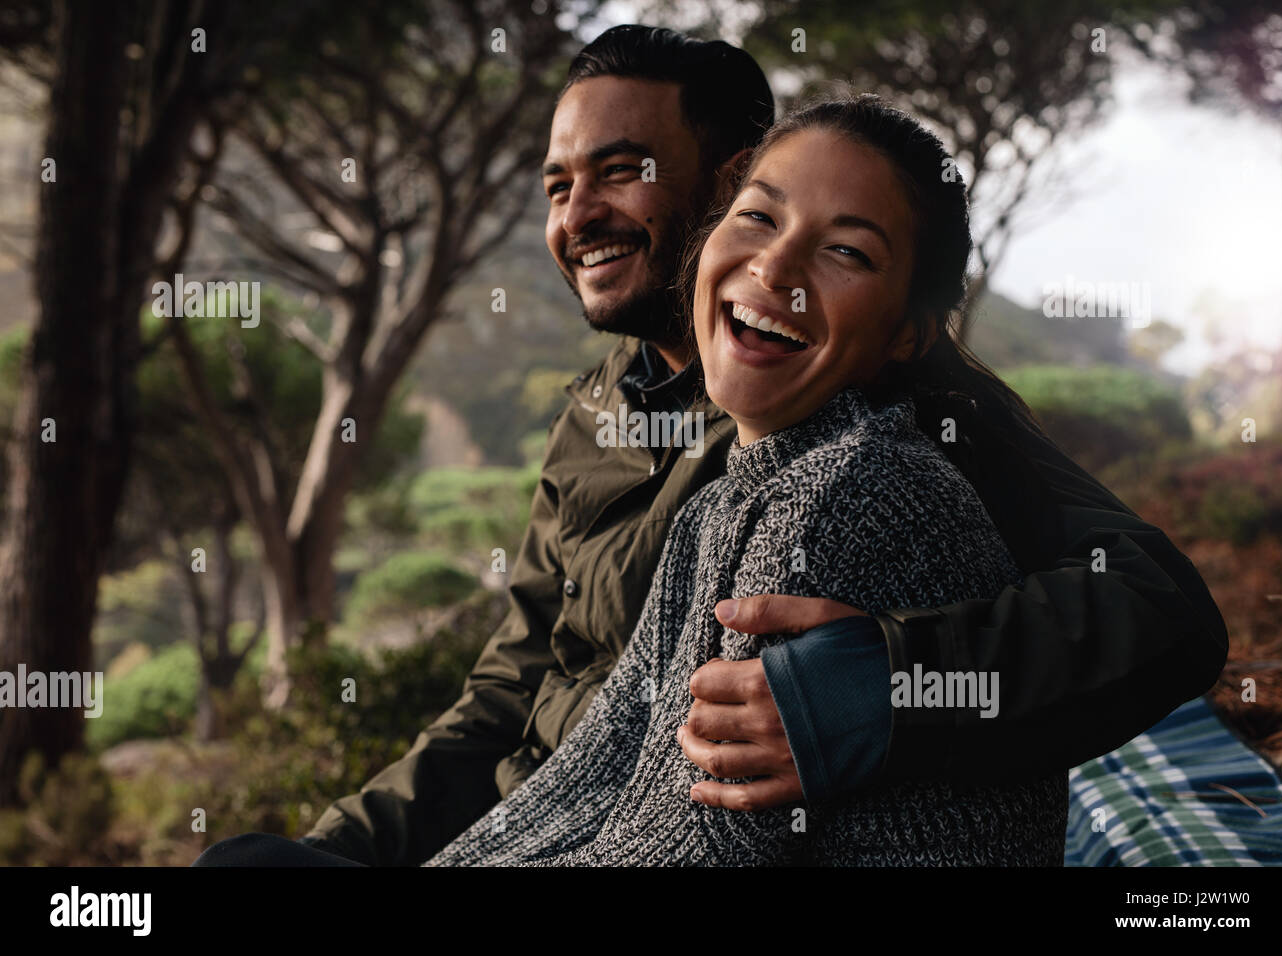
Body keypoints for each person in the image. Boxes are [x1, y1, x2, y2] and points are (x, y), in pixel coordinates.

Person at [194, 25, 1226, 868]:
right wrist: (337, 852)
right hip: (537, 828)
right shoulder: (596, 408)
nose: (577, 214)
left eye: (618, 172)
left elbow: (1158, 608)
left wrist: (888, 685)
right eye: (557, 185)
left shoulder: (888, 418)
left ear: (726, 172)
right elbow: (508, 697)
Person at [429, 94, 1070, 865]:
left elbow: (690, 846)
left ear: (908, 333)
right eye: (759, 218)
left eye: (847, 252)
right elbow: (590, 777)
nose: (776, 269)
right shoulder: (718, 508)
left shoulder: (846, 491)